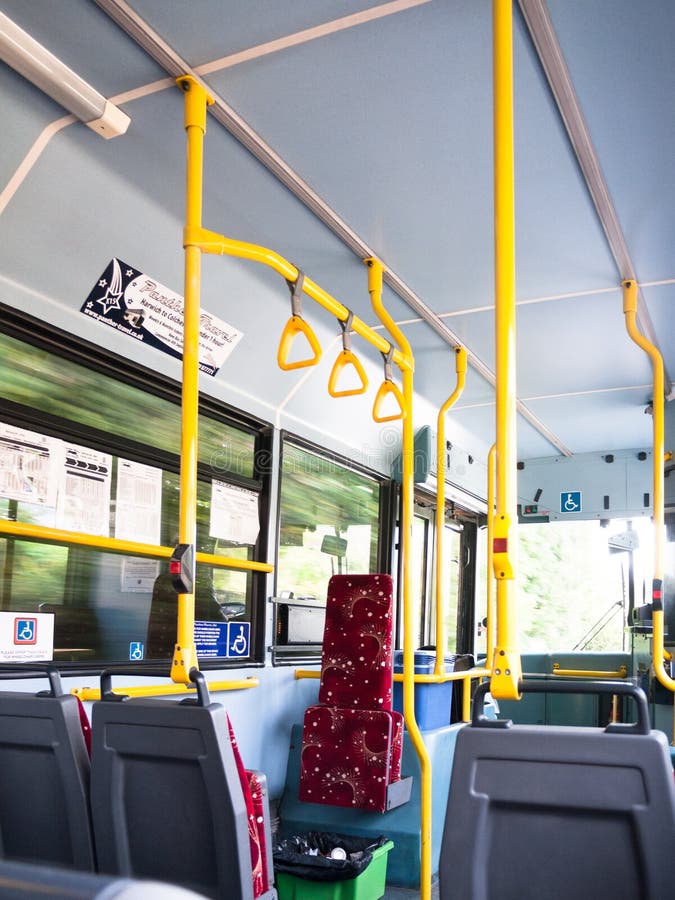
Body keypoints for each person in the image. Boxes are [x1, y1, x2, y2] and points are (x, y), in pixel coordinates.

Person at [146, 568, 225, 659]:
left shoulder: (162, 579)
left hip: (157, 653)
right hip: (188, 655)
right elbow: (218, 618)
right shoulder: (200, 581)